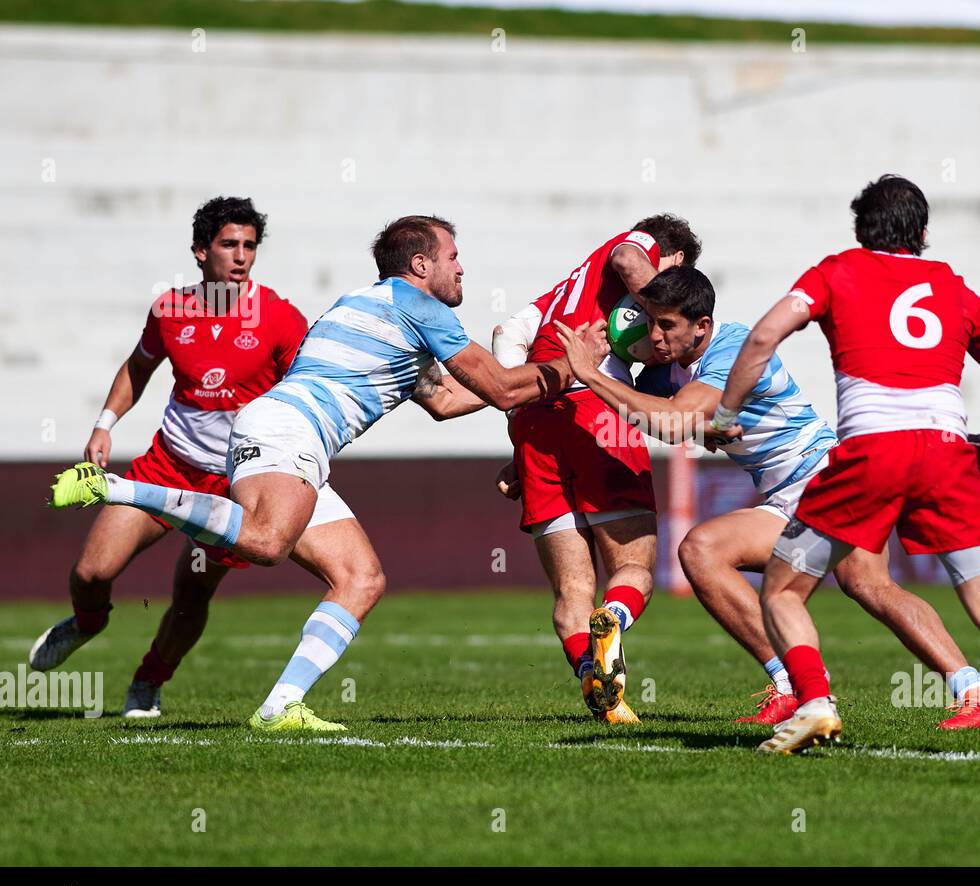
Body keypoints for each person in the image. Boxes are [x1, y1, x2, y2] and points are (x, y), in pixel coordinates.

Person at [48, 214, 602, 731]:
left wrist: (548, 375)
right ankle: (120, 488)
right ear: (420, 265)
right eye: (453, 256)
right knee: (265, 544)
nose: (462, 268)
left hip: (292, 436)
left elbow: (447, 400)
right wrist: (574, 368)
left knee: (361, 579)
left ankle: (280, 706)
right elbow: (502, 390)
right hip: (289, 431)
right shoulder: (423, 308)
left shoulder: (370, 305)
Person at [710, 175, 980, 759]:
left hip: (872, 454)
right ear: (924, 233)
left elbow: (761, 338)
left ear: (860, 231)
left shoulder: (836, 271)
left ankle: (815, 704)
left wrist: (726, 412)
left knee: (782, 588)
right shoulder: (953, 286)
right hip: (946, 455)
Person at [558, 264, 980, 729]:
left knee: (866, 584)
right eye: (651, 322)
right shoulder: (669, 369)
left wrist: (590, 373)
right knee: (705, 552)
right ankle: (791, 686)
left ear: (701, 325)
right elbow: (660, 418)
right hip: (785, 496)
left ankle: (978, 696)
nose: (655, 336)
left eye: (667, 325)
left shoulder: (730, 346)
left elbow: (671, 417)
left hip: (822, 478)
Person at [29, 196, 306, 718]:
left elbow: (310, 388)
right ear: (201, 251)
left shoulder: (281, 318)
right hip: (167, 466)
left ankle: (148, 681)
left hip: (233, 484)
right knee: (91, 572)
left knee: (191, 593)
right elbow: (138, 368)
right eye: (229, 244)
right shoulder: (171, 310)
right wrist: (104, 424)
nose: (242, 256)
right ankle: (87, 623)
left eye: (250, 246)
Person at [492, 216, 701, 723]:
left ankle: (601, 690)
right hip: (596, 409)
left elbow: (504, 335)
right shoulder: (638, 250)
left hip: (538, 422)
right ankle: (616, 616)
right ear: (671, 255)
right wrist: (660, 309)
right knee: (632, 568)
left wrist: (520, 427)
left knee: (571, 593)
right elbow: (630, 259)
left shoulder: (559, 295)